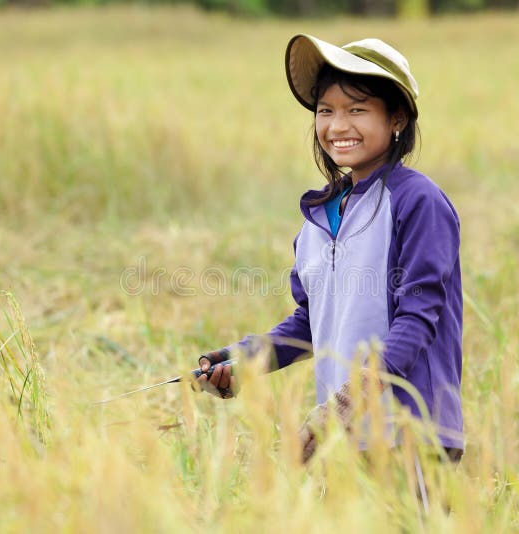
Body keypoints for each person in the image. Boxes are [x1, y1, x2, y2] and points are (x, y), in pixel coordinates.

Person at [196, 34, 464, 464]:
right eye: (326, 111)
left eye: (356, 110)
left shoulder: (418, 202)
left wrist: (344, 404)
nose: (338, 127)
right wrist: (243, 361)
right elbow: (312, 325)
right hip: (342, 440)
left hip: (411, 432)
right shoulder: (318, 218)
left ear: (396, 117)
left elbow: (418, 316)